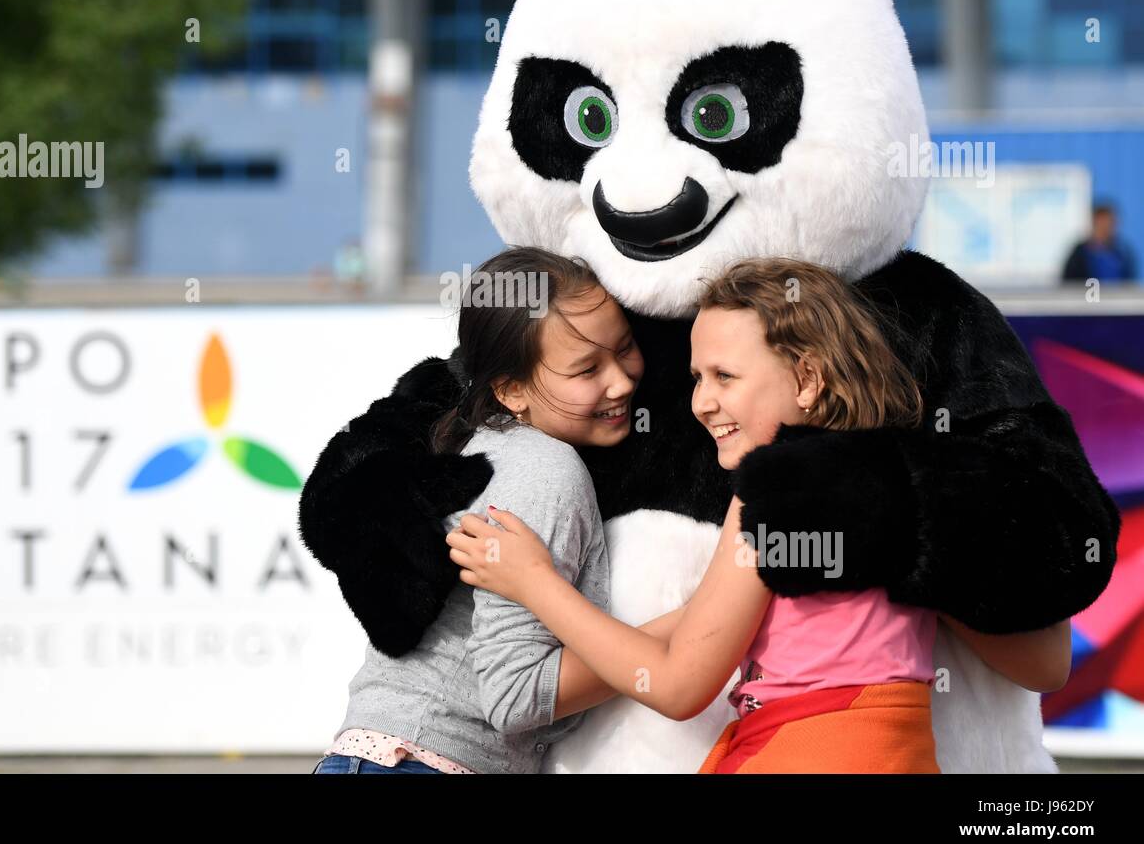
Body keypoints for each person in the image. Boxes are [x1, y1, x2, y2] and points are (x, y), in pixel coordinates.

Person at [449, 257, 1072, 773]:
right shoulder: (917, 478)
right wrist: (909, 550)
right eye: (696, 378)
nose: (701, 403)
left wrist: (535, 581)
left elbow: (676, 685)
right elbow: (1047, 664)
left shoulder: (772, 490)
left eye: (723, 375)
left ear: (806, 378)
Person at [313, 246, 691, 773]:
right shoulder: (545, 470)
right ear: (510, 390)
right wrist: (690, 626)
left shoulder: (491, 448)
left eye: (625, 348)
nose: (622, 381)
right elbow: (516, 696)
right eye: (587, 370)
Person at [1061, 202, 1137, 283]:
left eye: (1110, 223)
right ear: (1094, 222)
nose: (1106, 227)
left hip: (1116, 295)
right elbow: (1068, 283)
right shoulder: (1079, 253)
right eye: (1102, 222)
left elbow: (1129, 283)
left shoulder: (1122, 254)